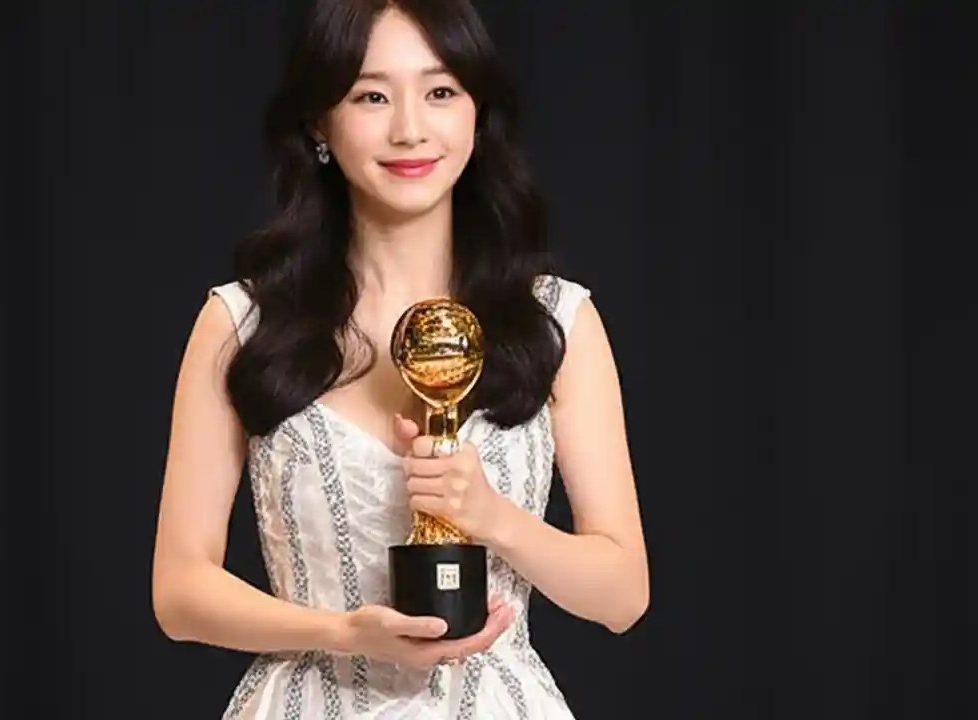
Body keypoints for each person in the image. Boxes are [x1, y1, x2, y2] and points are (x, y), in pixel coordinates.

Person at [151, 1, 648, 717]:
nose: (410, 127)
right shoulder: (242, 320)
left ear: (477, 112)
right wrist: (342, 632)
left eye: (441, 91)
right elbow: (179, 591)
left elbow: (624, 595)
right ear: (320, 121)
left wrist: (490, 515)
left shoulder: (555, 319)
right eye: (371, 95)